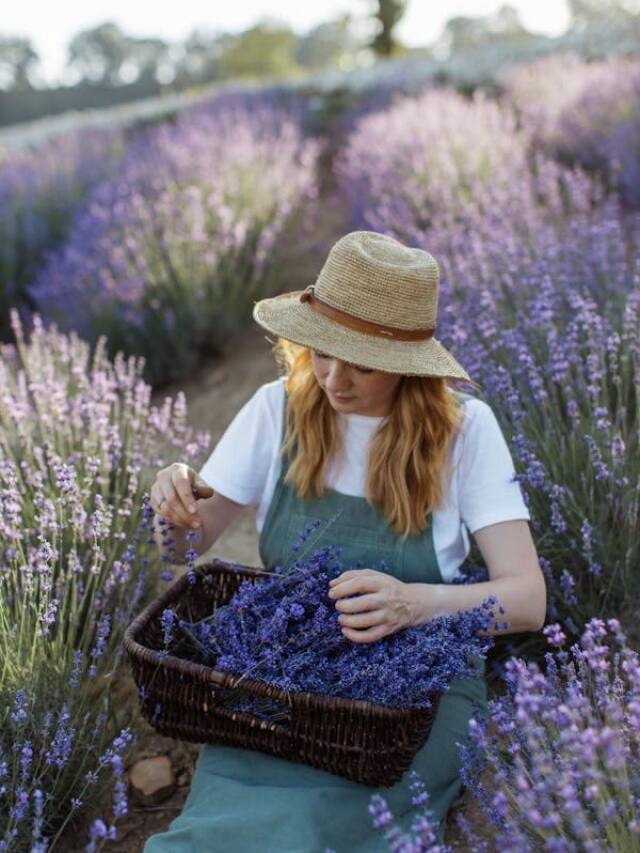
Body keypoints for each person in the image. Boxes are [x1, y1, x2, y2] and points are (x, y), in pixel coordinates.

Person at [144, 230, 546, 852]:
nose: (333, 378)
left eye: (362, 362)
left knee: (322, 827)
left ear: (410, 366)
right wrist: (171, 504)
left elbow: (527, 599)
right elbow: (185, 552)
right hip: (283, 675)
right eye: (323, 350)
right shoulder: (276, 409)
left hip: (413, 691)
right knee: (218, 828)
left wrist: (410, 605)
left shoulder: (466, 433)